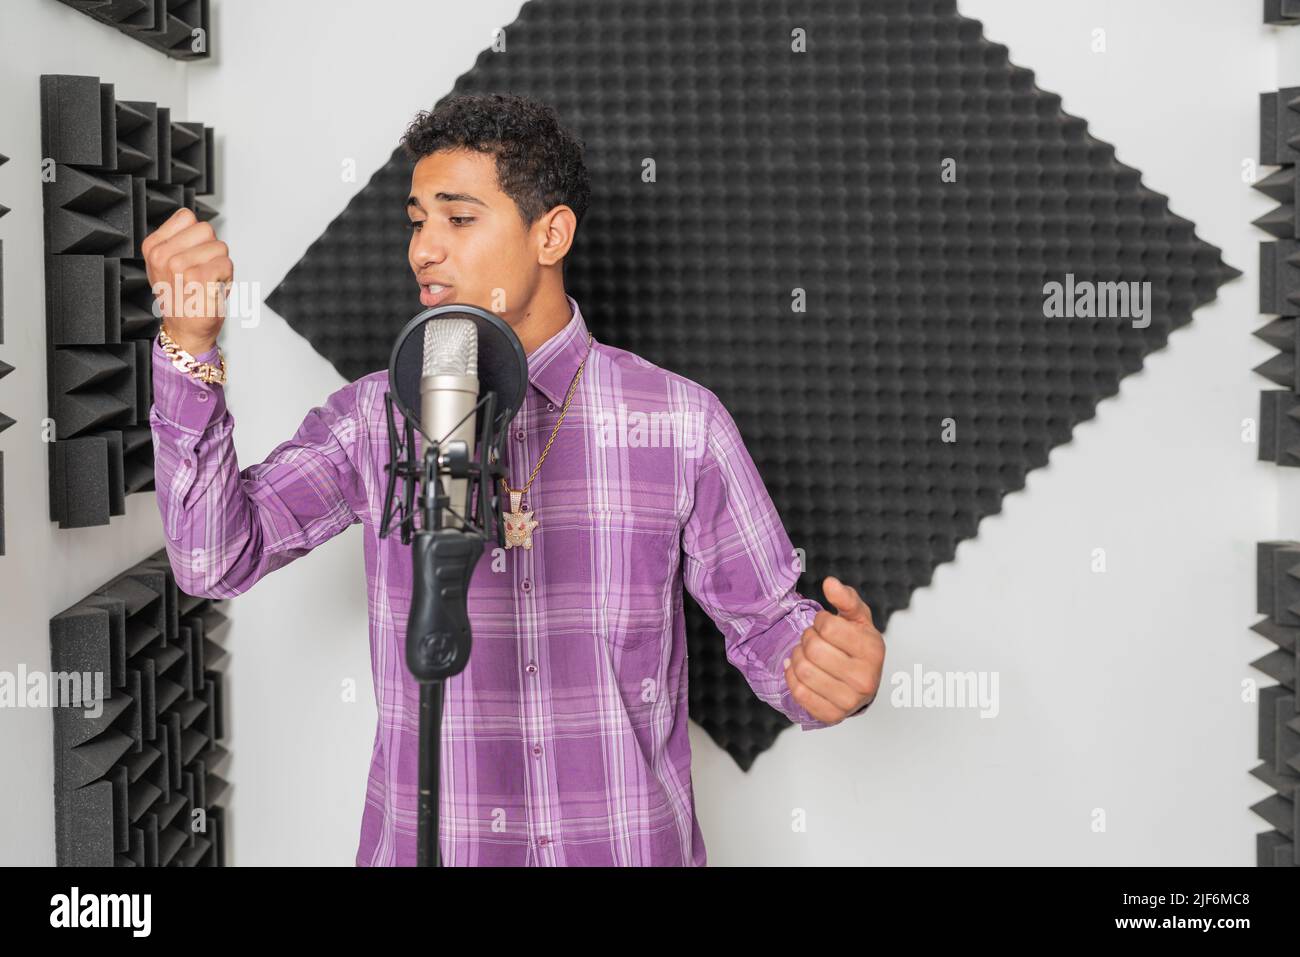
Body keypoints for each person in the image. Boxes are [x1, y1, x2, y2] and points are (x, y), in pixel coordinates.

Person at [142, 92, 885, 866]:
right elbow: (210, 559)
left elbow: (771, 628)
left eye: (458, 219)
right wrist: (189, 345)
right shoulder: (376, 418)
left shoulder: (679, 421)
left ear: (550, 233)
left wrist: (830, 674)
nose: (423, 249)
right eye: (416, 219)